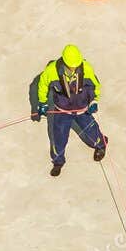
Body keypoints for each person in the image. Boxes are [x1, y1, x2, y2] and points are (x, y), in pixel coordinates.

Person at [31, 44, 108, 177]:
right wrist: (42, 103)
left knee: (91, 129)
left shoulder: (86, 68)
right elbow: (42, 86)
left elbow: (96, 85)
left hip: (82, 109)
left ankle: (101, 145)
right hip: (62, 111)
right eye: (71, 66)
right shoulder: (51, 71)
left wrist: (94, 101)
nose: (74, 68)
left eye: (76, 65)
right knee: (59, 136)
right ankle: (58, 161)